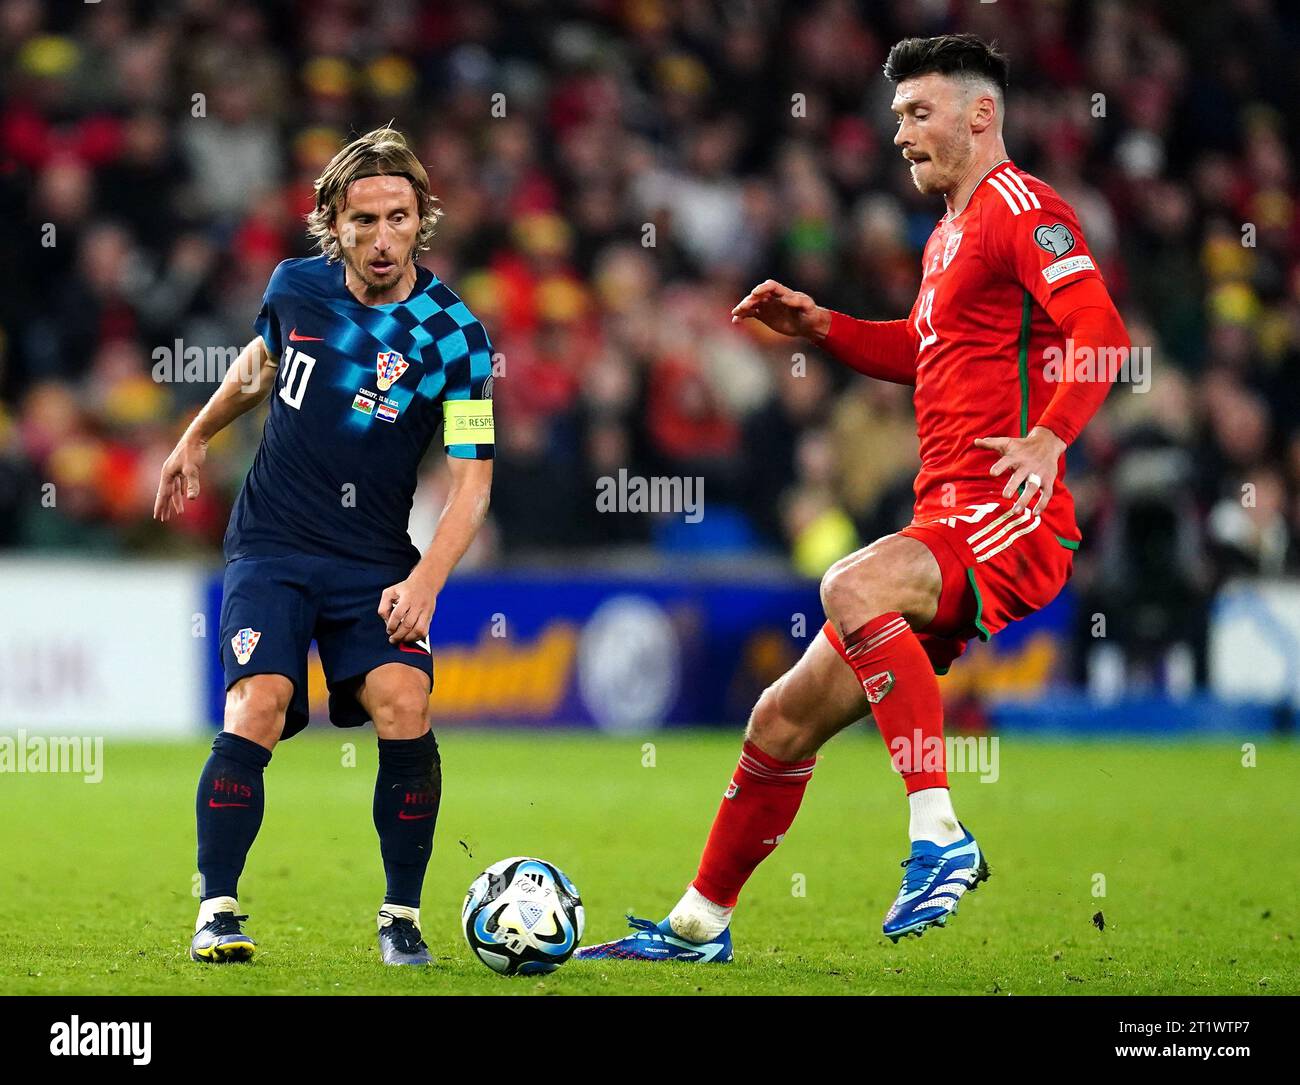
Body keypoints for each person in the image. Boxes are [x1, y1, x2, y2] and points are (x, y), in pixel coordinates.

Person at [576, 34, 1127, 961]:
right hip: (945, 515)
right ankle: (698, 924)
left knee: (850, 582)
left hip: (1009, 508)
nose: (899, 132)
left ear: (979, 115)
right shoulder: (947, 233)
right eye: (897, 114)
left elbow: (1101, 329)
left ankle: (938, 834)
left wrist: (1051, 436)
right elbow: (923, 351)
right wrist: (821, 325)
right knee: (780, 717)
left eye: (918, 112)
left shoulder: (1021, 207)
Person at [154, 127, 495, 966]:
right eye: (363, 220)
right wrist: (196, 434)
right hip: (271, 544)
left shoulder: (456, 337)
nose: (382, 238)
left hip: (374, 560)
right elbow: (260, 365)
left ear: (422, 220)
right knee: (257, 704)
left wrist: (426, 580)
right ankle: (218, 909)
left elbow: (471, 485)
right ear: (332, 224)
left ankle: (401, 915)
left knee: (404, 703)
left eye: (398, 218)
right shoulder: (295, 286)